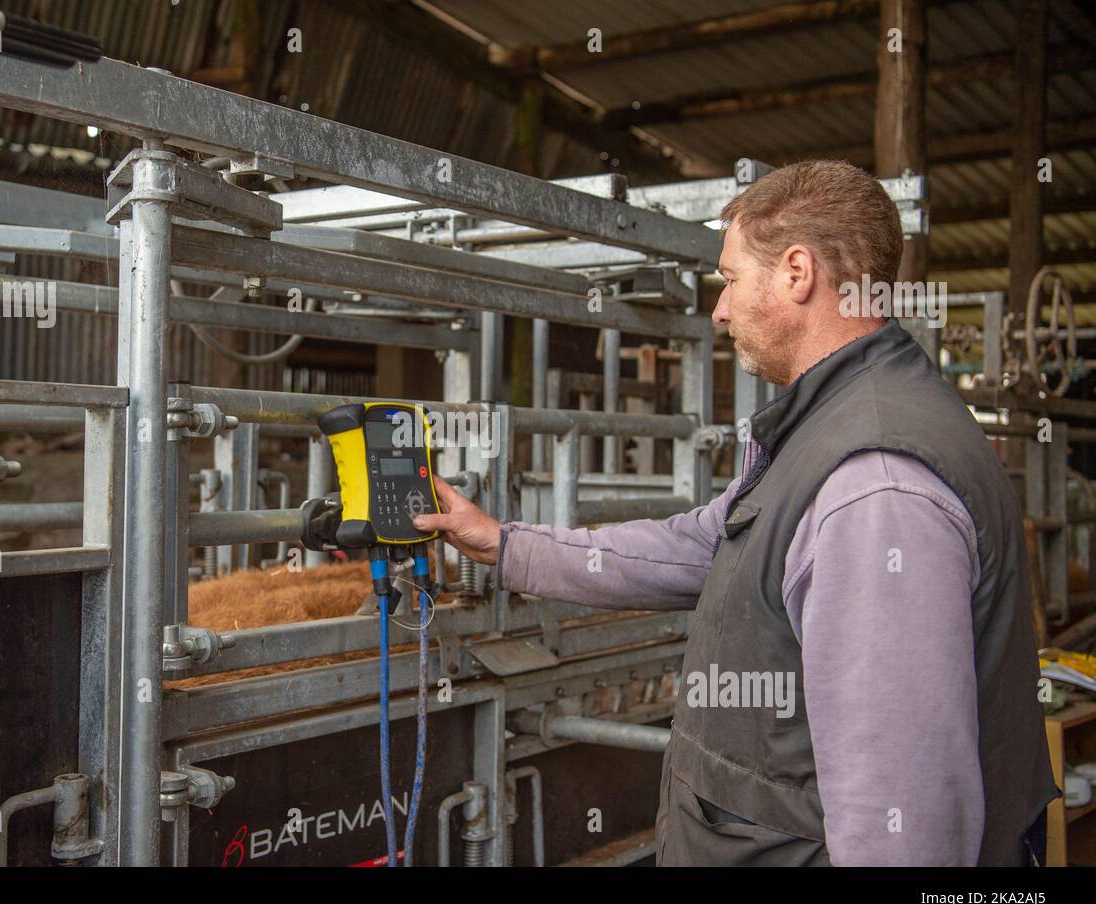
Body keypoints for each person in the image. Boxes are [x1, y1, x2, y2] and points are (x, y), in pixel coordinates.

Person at [412, 159, 1059, 866]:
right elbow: (703, 545)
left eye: (729, 279)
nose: (718, 309)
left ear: (796, 273)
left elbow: (902, 825)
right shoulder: (828, 427)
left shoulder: (875, 486)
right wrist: (505, 546)